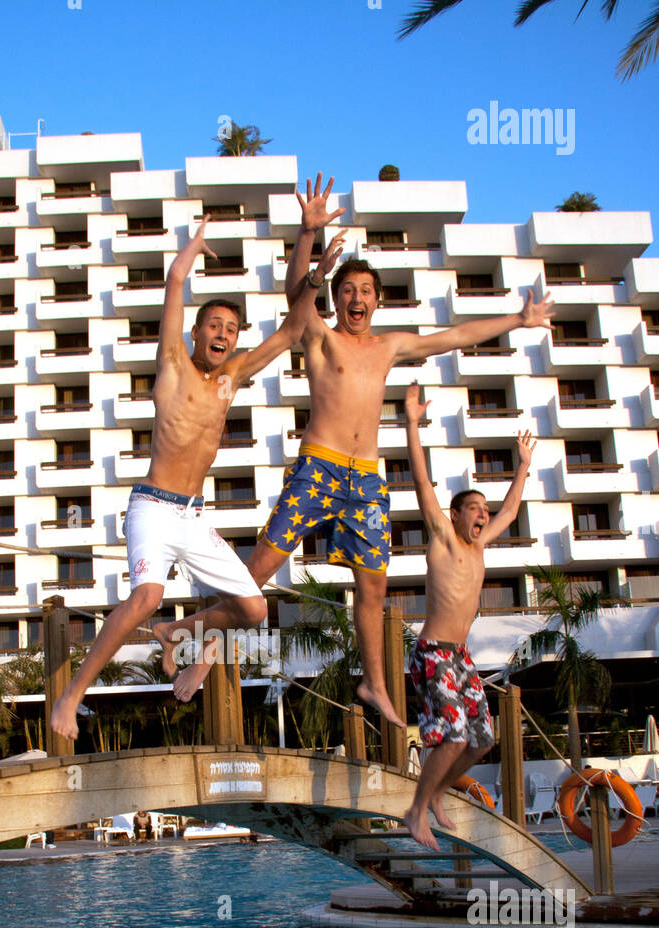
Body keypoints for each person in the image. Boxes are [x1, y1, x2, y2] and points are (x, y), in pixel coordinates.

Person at [173, 174, 553, 724]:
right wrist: (307, 236)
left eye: (365, 291)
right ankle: (203, 652)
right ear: (336, 299)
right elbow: (293, 298)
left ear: (376, 301)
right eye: (347, 291)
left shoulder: (387, 346)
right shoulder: (320, 336)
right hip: (319, 469)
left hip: (368, 480)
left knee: (372, 586)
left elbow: (451, 337)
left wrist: (519, 319)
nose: (356, 298)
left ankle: (376, 685)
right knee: (258, 568)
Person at [50, 217, 340, 740]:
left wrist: (315, 274)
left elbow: (294, 331)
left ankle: (177, 632)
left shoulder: (232, 377)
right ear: (196, 332)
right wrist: (187, 256)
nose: (223, 335)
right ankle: (70, 698)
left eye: (231, 330)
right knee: (145, 597)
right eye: (215, 326)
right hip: (151, 509)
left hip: (192, 515)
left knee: (253, 608)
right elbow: (174, 285)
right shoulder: (173, 365)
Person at [401, 383, 535, 849]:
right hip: (432, 654)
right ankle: (416, 810)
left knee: (482, 739)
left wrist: (521, 467)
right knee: (454, 735)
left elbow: (513, 507)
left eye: (484, 510)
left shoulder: (480, 546)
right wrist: (412, 426)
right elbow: (421, 481)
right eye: (473, 509)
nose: (482, 515)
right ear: (454, 514)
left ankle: (437, 793)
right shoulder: (443, 538)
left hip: (460, 655)